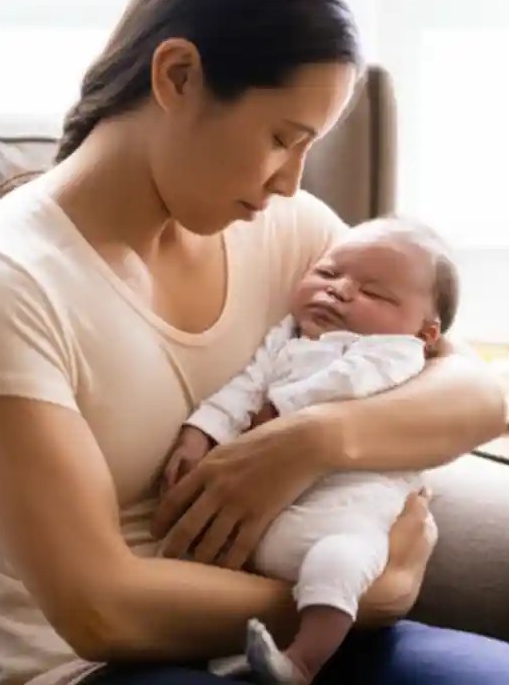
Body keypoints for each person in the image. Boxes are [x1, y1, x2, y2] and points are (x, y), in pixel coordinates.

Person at [0, 0, 509, 683]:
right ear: (178, 76)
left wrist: (304, 444)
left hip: (319, 641)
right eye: (282, 138)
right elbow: (98, 608)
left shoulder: (291, 237)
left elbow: (475, 396)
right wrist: (349, 597)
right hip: (94, 668)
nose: (291, 182)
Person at [161, 218, 457, 684]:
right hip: (271, 518)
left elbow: (351, 382)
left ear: (426, 333)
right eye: (327, 273)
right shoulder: (288, 338)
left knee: (339, 560)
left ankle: (304, 659)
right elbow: (247, 386)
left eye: (374, 294)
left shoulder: (397, 352)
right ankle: (246, 648)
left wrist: (284, 408)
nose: (338, 290)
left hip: (349, 512)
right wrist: (203, 431)